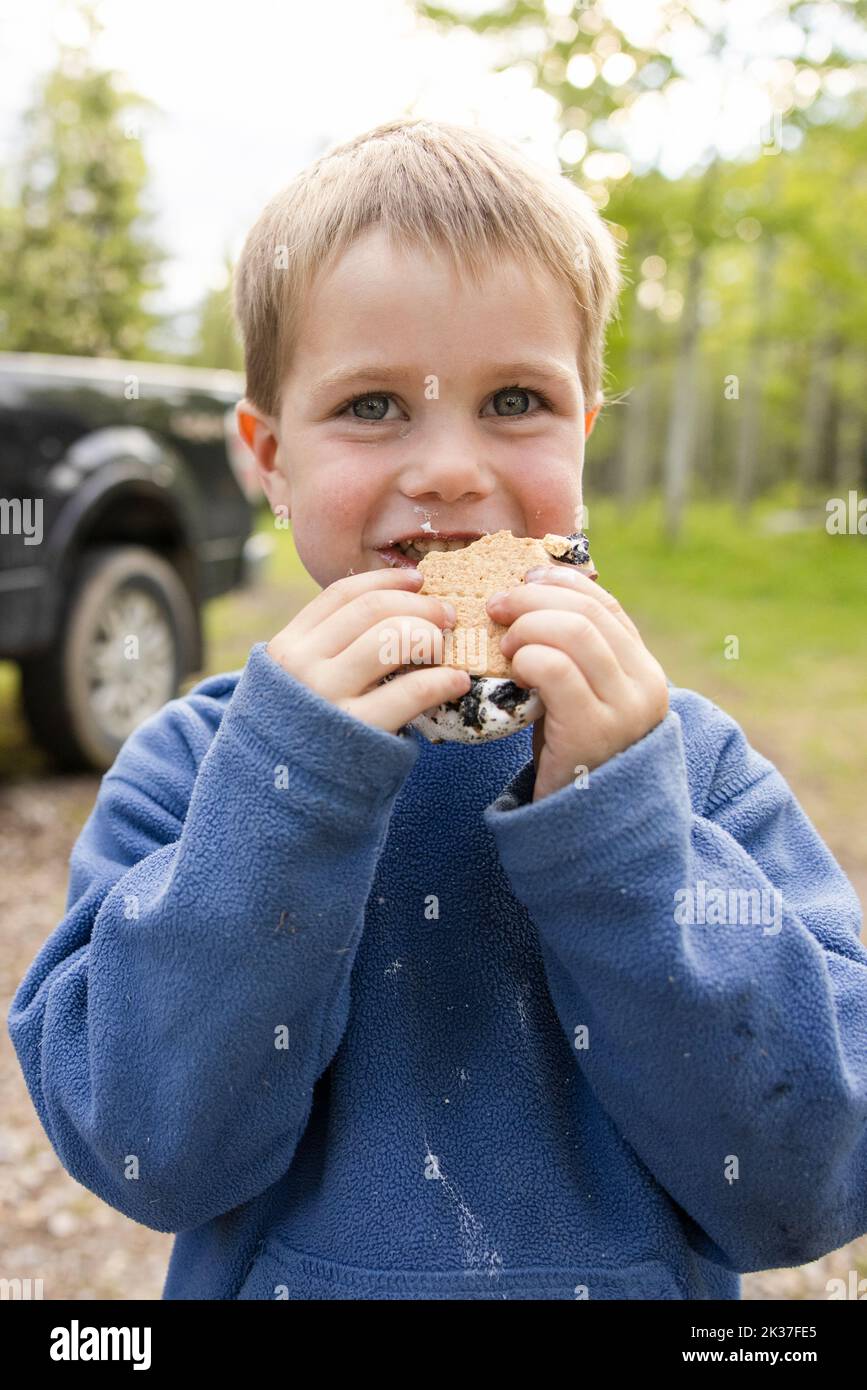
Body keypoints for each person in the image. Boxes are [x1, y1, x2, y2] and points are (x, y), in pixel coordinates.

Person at [9, 119, 867, 1301]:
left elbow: (807, 1183)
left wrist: (622, 821)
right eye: (371, 407)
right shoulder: (194, 765)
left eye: (515, 398)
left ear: (585, 434)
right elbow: (145, 1150)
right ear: (268, 456)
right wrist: (289, 785)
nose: (453, 469)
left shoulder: (688, 762)